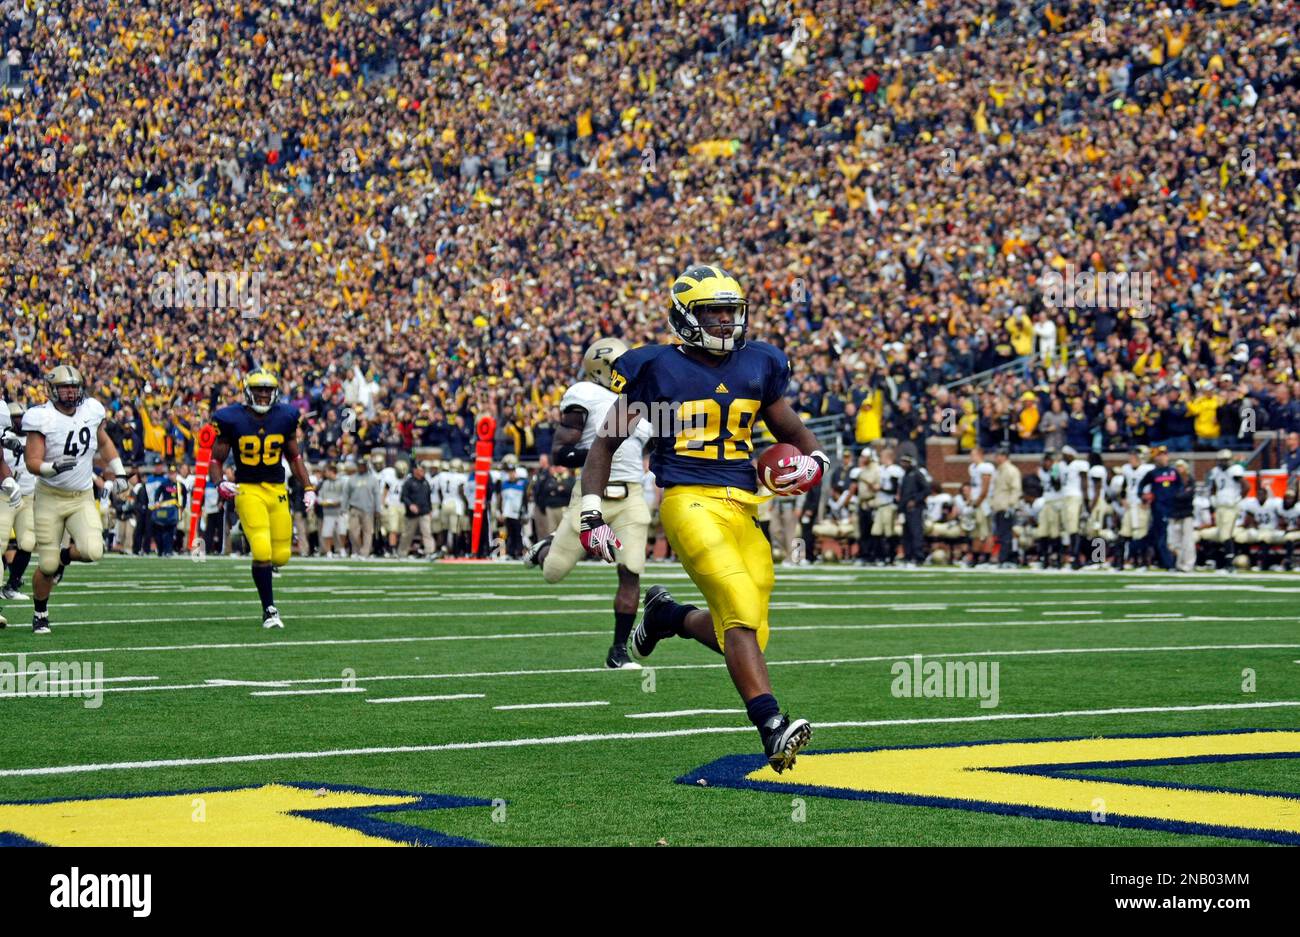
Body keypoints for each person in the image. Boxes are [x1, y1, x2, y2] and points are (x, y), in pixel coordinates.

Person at [580, 265, 825, 773]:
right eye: (713, 311)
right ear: (685, 316)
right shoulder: (656, 368)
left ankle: (670, 617)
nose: (724, 322)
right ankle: (771, 725)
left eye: (730, 311)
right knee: (736, 605)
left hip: (745, 504)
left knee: (751, 636)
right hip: (688, 500)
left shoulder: (757, 363)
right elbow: (605, 443)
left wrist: (813, 464)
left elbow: (799, 436)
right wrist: (591, 511)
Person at [524, 337, 651, 669]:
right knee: (553, 572)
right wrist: (601, 452)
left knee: (631, 570)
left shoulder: (642, 401)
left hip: (631, 497)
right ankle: (545, 548)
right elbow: (560, 453)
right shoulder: (586, 394)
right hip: (591, 493)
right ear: (603, 368)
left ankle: (618, 651)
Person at [19, 366, 127, 634]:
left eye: (74, 386)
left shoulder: (91, 411)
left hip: (81, 496)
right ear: (52, 389)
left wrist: (120, 471)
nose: (70, 391)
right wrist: (50, 467)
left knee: (93, 551)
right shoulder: (41, 417)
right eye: (65, 386)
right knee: (46, 565)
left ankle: (65, 556)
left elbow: (103, 442)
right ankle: (40, 613)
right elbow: (32, 461)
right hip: (50, 497)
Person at [208, 369, 317, 628]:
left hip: (277, 489)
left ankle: (268, 570)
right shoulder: (229, 418)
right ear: (248, 391)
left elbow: (295, 457)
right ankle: (269, 610)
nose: (264, 394)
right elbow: (216, 459)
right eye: (259, 389)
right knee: (261, 548)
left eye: (268, 389)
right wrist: (219, 481)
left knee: (281, 556)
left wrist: (309, 486)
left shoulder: (287, 416)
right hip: (247, 489)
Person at [0, 402, 36, 599]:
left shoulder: (34, 437)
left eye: (21, 417)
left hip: (28, 496)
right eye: (15, 418)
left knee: (28, 542)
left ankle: (12, 586)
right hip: (5, 495)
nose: (19, 421)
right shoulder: (5, 435)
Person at [989, 446, 1022, 568]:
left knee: (1006, 535)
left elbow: (1016, 489)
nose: (995, 458)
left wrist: (1011, 505)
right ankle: (1003, 558)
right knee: (1001, 534)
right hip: (999, 506)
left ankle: (1005, 559)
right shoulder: (999, 470)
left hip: (1005, 506)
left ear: (1004, 456)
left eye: (998, 455)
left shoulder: (1010, 470)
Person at [398, 462, 437, 557]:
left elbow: (428, 497)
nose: (423, 471)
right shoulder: (409, 482)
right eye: (421, 470)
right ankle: (402, 552)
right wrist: (410, 505)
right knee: (407, 534)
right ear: (415, 470)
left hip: (424, 512)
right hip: (412, 514)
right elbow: (403, 497)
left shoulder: (425, 482)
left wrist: (430, 509)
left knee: (427, 532)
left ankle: (430, 552)